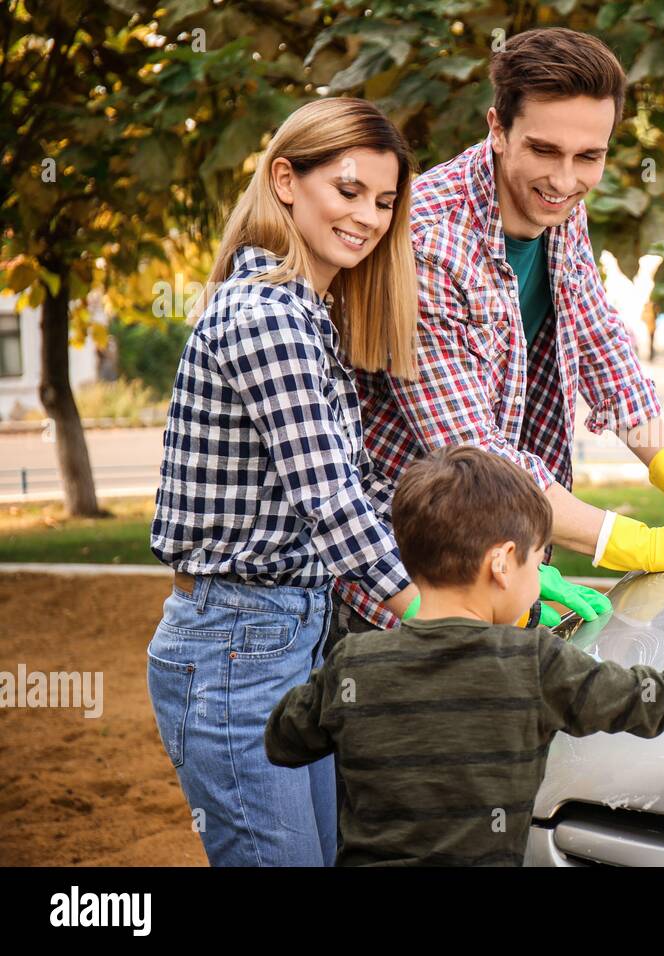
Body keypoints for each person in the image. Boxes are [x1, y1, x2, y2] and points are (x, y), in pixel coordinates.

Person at [333, 27, 664, 634]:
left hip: (508, 558)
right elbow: (470, 448)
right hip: (408, 577)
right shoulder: (425, 243)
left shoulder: (560, 208)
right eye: (544, 151)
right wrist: (633, 542)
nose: (565, 180)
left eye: (588, 157)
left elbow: (601, 345)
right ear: (497, 128)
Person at [265, 445, 664, 866]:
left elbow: (283, 741)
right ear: (501, 563)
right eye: (542, 561)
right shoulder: (533, 664)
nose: (542, 579)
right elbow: (658, 700)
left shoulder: (355, 666)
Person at [145, 97, 424, 866]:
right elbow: (330, 501)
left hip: (291, 637)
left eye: (383, 201)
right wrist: (439, 622)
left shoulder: (308, 314)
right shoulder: (267, 313)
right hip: (237, 644)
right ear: (286, 180)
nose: (367, 216)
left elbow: (358, 494)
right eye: (348, 190)